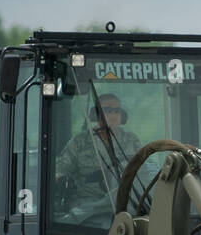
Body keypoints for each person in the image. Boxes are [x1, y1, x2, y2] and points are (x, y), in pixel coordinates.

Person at [54, 92, 145, 220]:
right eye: (107, 110)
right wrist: (62, 179)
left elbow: (143, 169)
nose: (113, 115)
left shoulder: (131, 140)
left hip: (124, 202)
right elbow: (60, 170)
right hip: (88, 204)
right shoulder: (80, 141)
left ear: (122, 116)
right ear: (96, 115)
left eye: (116, 111)